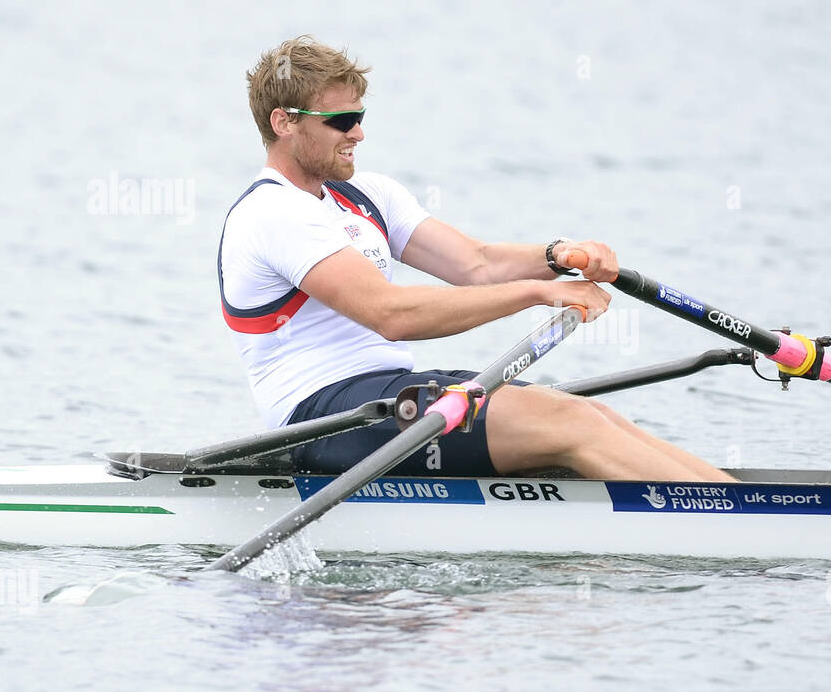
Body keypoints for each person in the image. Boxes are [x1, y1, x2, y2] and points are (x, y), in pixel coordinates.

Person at [219, 36, 730, 482]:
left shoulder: (365, 194)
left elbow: (476, 264)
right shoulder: (273, 212)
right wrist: (537, 293)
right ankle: (742, 532)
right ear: (283, 123)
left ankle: (751, 506)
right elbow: (390, 314)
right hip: (323, 420)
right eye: (342, 120)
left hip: (384, 395)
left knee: (588, 414)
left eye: (361, 117)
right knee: (568, 426)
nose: (358, 134)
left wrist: (559, 256)